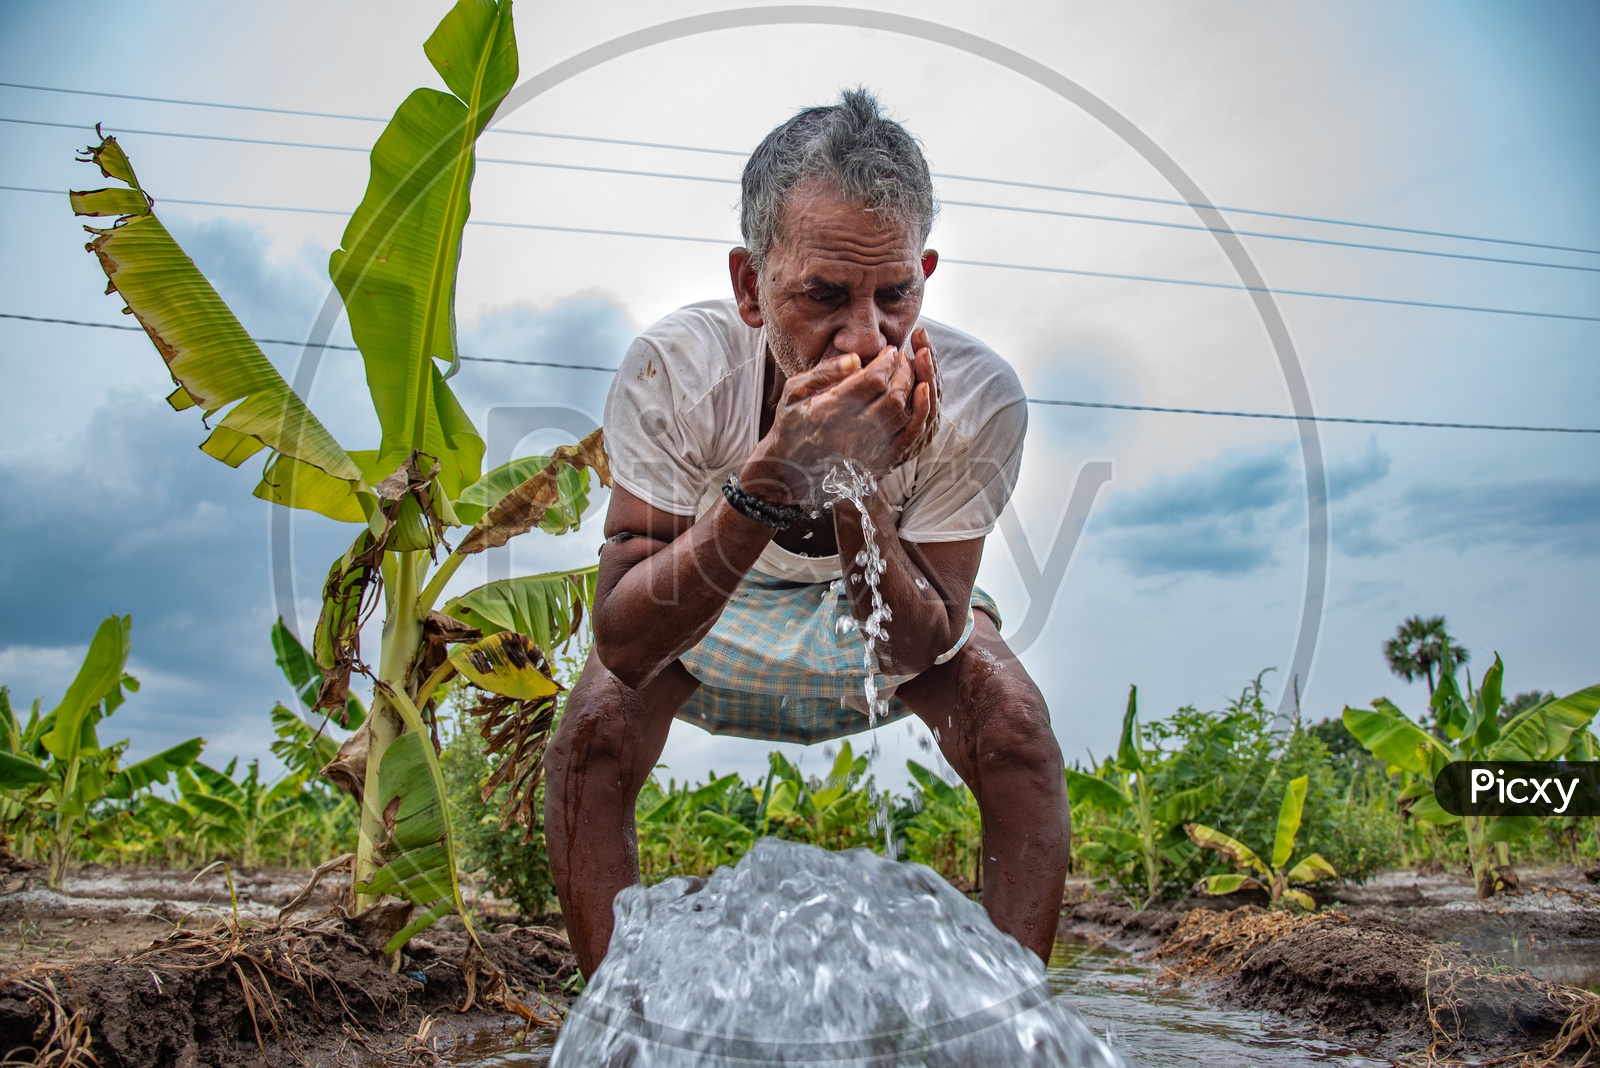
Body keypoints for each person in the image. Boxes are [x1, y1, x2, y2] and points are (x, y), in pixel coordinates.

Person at [544, 88, 1070, 978]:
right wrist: (774, 476)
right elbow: (629, 641)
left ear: (925, 274)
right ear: (751, 288)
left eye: (894, 294)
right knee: (594, 730)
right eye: (823, 295)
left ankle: (1010, 1021)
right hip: (712, 602)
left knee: (1013, 726)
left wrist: (856, 485)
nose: (864, 339)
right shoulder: (678, 368)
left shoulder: (980, 398)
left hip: (883, 604)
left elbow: (921, 640)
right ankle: (614, 1022)